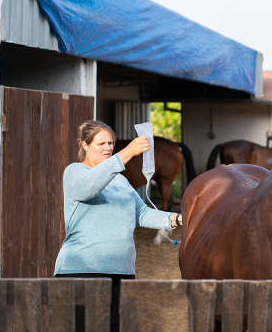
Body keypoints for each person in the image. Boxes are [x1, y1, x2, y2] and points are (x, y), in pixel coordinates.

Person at [54, 120, 182, 331]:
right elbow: (88, 189)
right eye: (101, 143)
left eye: (111, 143)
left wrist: (176, 219)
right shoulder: (75, 172)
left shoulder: (121, 181)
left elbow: (141, 214)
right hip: (82, 270)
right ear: (84, 145)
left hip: (121, 270)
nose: (108, 148)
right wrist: (125, 154)